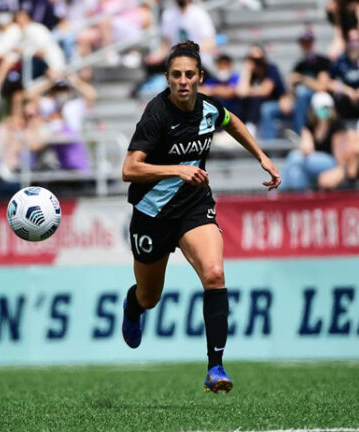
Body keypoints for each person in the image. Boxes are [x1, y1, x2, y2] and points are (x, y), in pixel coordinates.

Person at [120, 41, 280, 393]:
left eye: (189, 74)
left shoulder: (208, 108)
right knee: (150, 297)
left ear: (200, 77)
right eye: (175, 75)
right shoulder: (156, 114)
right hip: (153, 214)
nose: (182, 81)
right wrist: (177, 170)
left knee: (214, 273)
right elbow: (129, 169)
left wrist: (262, 157)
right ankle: (132, 308)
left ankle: (216, 367)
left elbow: (232, 121)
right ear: (166, 78)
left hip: (193, 207)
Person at [280, 92, 346, 190]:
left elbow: (340, 155)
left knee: (294, 157)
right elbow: (307, 148)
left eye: (326, 107)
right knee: (296, 172)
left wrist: (339, 171)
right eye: (320, 107)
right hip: (312, 161)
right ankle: (300, 201)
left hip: (331, 162)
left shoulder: (336, 126)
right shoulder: (310, 126)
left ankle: (279, 193)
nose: (323, 110)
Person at [236, 44, 287, 137]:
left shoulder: (271, 69)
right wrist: (247, 70)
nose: (256, 63)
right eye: (252, 59)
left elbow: (265, 91)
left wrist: (249, 91)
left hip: (271, 105)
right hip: (253, 114)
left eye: (258, 60)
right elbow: (241, 92)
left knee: (264, 107)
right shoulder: (250, 73)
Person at [289, 29, 331, 134]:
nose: (306, 45)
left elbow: (322, 87)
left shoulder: (322, 61)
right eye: (303, 43)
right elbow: (292, 90)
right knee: (269, 109)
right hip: (301, 100)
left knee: (303, 92)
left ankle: (300, 133)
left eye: (308, 42)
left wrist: (303, 79)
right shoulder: (299, 65)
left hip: (320, 98)